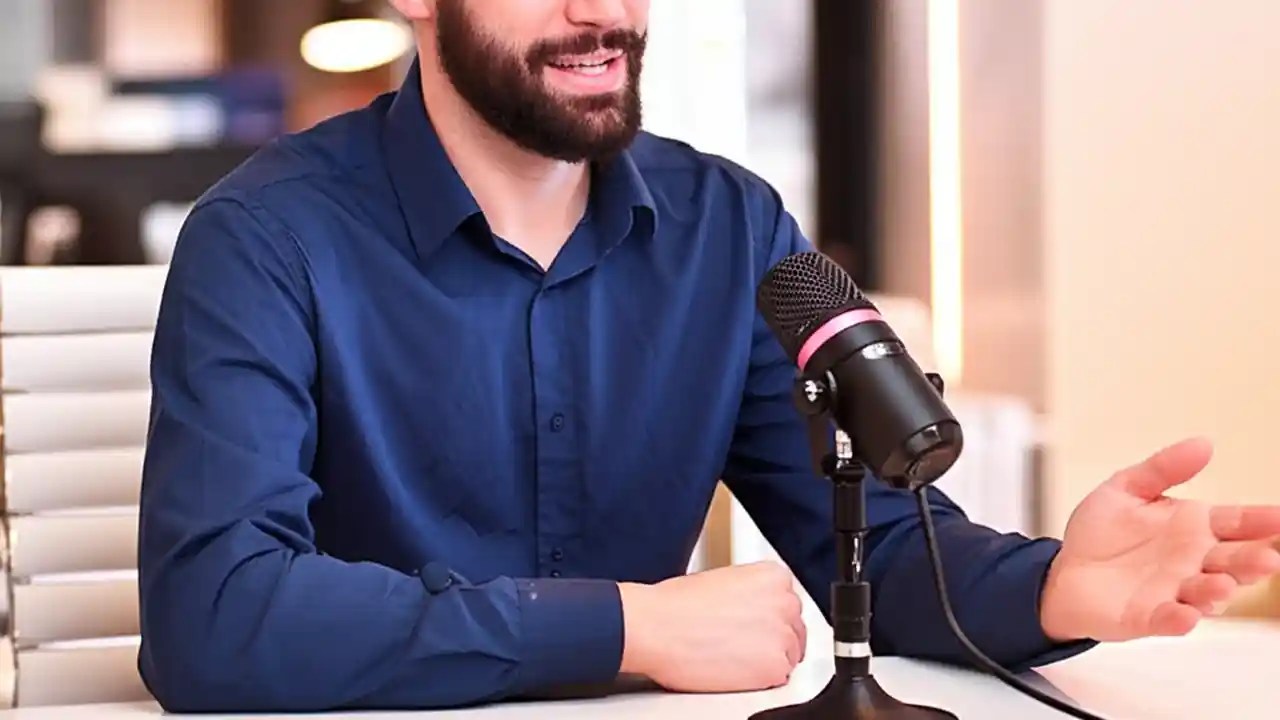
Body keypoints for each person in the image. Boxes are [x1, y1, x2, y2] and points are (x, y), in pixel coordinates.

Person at [136, 0, 1280, 713]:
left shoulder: (729, 227)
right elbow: (215, 621)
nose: (602, 13)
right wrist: (631, 626)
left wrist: (1052, 589)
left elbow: (874, 551)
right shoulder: (263, 241)